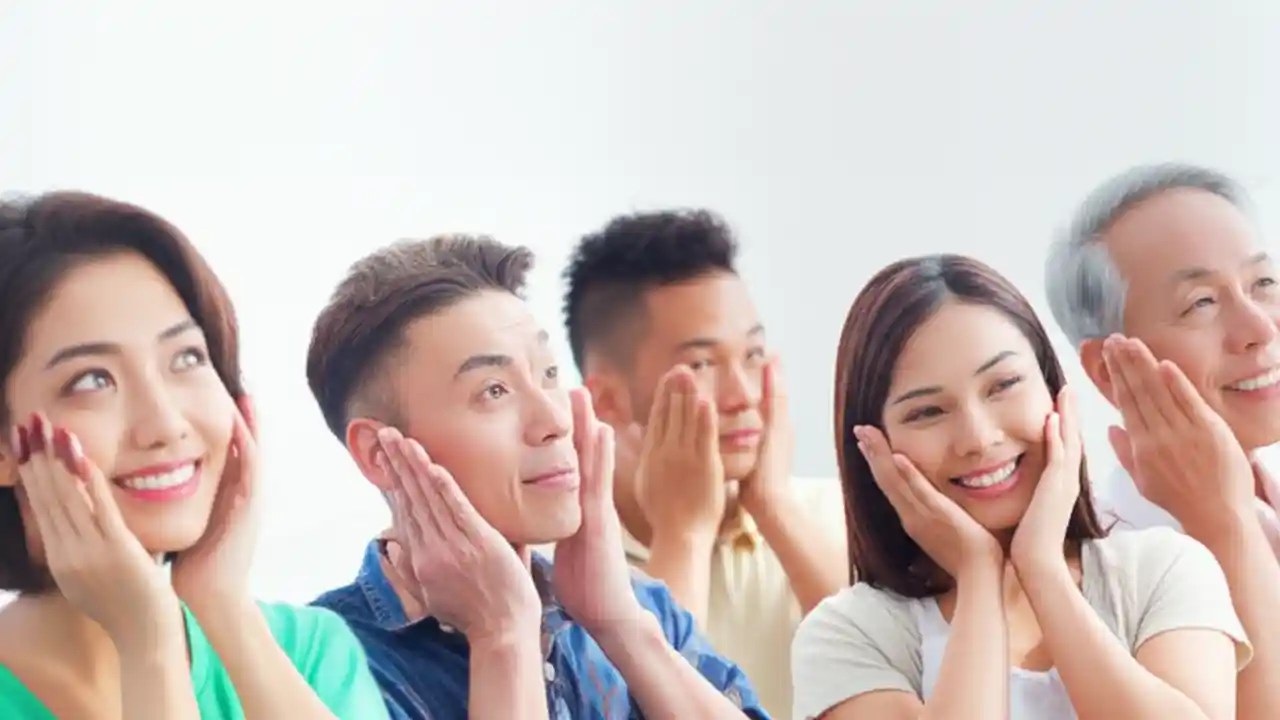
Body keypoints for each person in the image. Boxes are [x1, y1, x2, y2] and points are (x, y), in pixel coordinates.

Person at [306, 234, 769, 719]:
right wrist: (502, 635)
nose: (553, 420)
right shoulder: (327, 665)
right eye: (495, 390)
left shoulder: (636, 608)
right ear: (380, 453)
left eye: (548, 374)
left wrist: (620, 626)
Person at [791, 254, 1250, 720]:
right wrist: (977, 576)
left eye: (1004, 385)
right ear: (874, 445)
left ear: (1054, 391)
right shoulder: (852, 634)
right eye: (927, 412)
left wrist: (1043, 568)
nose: (979, 437)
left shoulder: (1160, 570)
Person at [0, 192, 389, 719]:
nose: (164, 423)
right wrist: (150, 645)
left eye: (185, 357)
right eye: (92, 380)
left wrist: (222, 604)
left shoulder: (309, 650)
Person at [561, 209, 846, 717]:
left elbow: (904, 685)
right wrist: (681, 534)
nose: (743, 395)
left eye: (754, 355)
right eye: (702, 365)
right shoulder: (565, 566)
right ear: (606, 400)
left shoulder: (839, 514)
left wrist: (775, 508)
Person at [1046, 162, 1280, 719]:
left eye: (1263, 284)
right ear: (1108, 370)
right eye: (1201, 302)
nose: (1260, 328)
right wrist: (1220, 523)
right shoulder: (1103, 579)